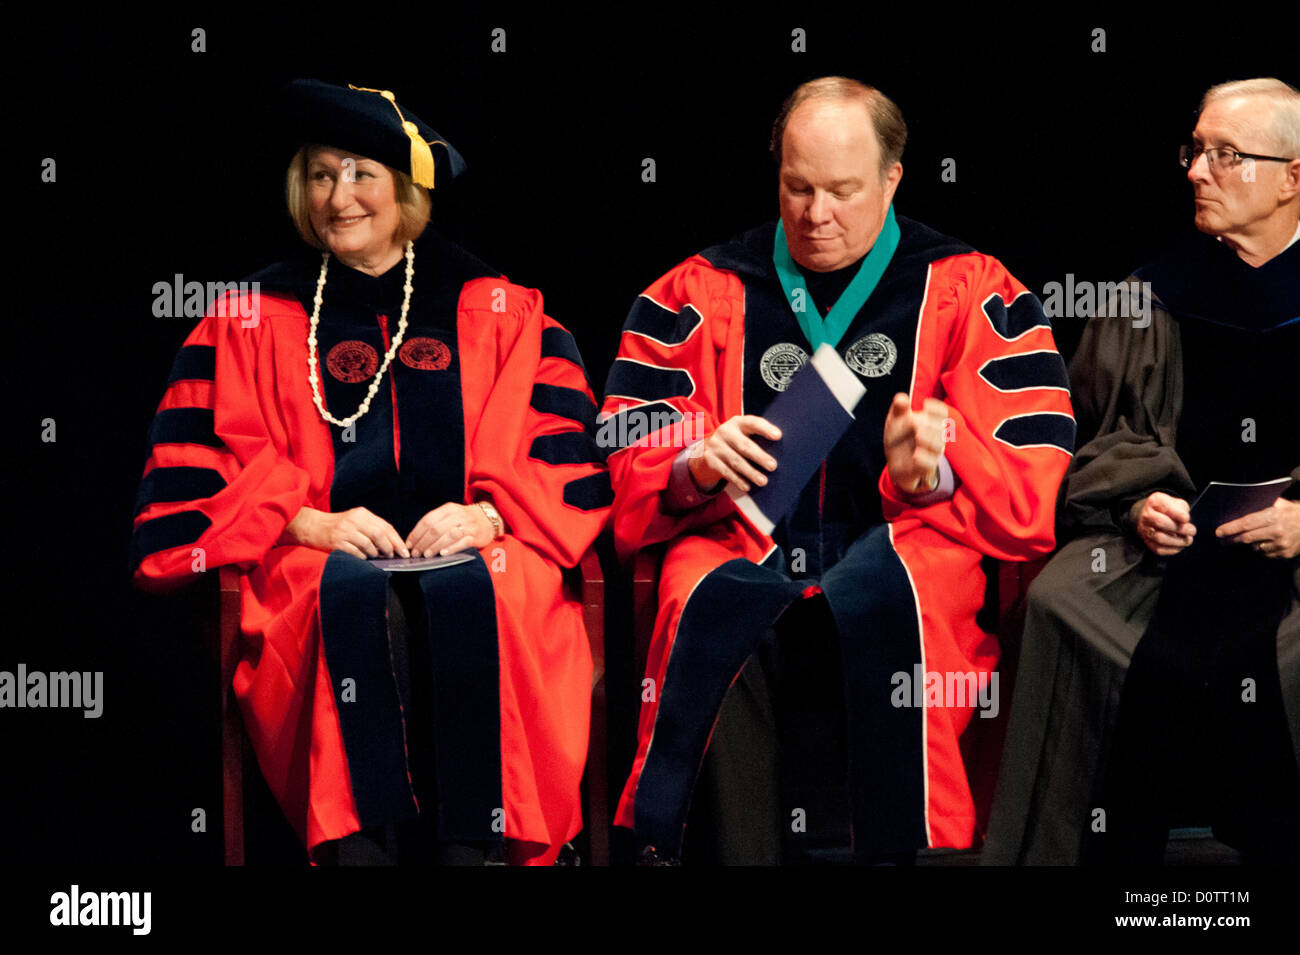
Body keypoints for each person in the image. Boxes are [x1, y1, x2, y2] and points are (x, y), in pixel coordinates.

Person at [130, 80, 611, 865]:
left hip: (480, 542)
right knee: (334, 594)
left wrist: (490, 514)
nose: (339, 196)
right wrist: (303, 519)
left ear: (404, 190)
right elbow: (200, 465)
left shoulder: (497, 306)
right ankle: (362, 848)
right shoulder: (251, 314)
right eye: (321, 174)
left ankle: (481, 846)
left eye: (361, 173)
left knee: (494, 587)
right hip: (319, 554)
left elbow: (563, 453)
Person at [600, 76, 1074, 863]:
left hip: (905, 540)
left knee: (914, 595)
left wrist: (938, 468)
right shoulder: (701, 289)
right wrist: (694, 465)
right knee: (697, 592)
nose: (816, 215)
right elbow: (629, 450)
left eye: (843, 192)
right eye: (797, 187)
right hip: (738, 543)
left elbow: (1029, 470)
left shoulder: (969, 289)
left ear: (892, 177)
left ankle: (913, 854)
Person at [983, 77, 1300, 865]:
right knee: (1059, 599)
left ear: (1294, 177)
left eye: (1227, 155)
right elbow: (1099, 443)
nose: (1196, 170)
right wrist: (1138, 505)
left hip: (1292, 560)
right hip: (1168, 552)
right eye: (1195, 150)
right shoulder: (1145, 299)